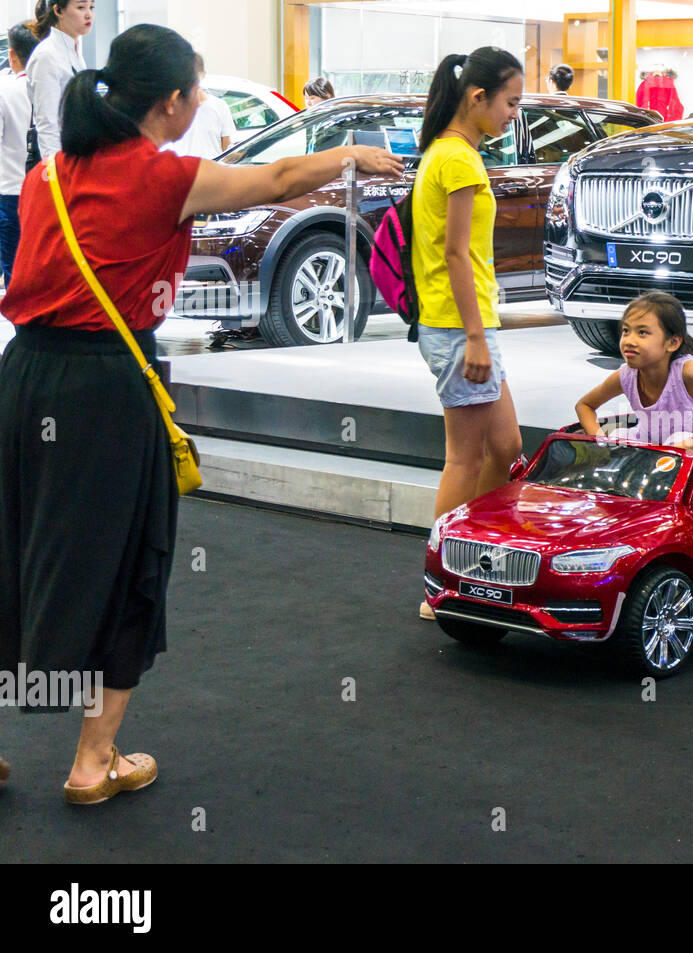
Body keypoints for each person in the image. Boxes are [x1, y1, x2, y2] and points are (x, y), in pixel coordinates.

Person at [0, 25, 401, 803]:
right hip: (108, 387)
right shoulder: (162, 177)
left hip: (22, 379)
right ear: (174, 102)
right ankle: (92, 761)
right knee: (126, 560)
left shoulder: (51, 174)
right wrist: (350, 155)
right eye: (199, 90)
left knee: (16, 549)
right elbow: (279, 177)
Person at [412, 47, 525, 620]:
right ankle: (442, 583)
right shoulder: (457, 160)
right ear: (477, 97)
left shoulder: (448, 153)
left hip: (464, 324)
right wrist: (477, 337)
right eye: (510, 102)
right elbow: (456, 254)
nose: (513, 114)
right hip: (462, 329)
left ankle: (472, 555)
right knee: (465, 458)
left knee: (505, 449)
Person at [576, 292, 693, 448]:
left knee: (678, 438)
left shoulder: (688, 373)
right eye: (626, 331)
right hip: (660, 444)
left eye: (642, 332)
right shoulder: (626, 375)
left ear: (672, 343)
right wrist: (601, 441)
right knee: (618, 438)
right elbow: (584, 405)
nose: (629, 340)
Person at [27, 0, 93, 161]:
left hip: (75, 152)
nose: (88, 14)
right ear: (58, 11)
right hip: (58, 158)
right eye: (81, 7)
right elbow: (47, 123)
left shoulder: (74, 51)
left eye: (92, 7)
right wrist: (55, 172)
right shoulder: (47, 56)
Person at [0, 22, 38, 286]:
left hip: (11, 194)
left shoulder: (4, 91)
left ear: (12, 55)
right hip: (52, 194)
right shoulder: (63, 89)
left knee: (16, 273)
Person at [163, 54, 235, 160]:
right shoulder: (171, 106)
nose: (190, 80)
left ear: (203, 74)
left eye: (194, 74)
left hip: (211, 170)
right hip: (182, 171)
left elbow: (227, 147)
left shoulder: (219, 106)